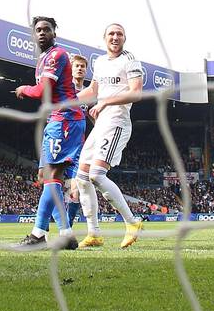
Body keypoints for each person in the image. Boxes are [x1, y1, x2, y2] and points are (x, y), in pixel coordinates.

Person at [74, 23, 146, 249]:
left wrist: (105, 102)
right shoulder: (100, 62)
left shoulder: (130, 60)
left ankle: (132, 223)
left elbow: (136, 93)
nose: (115, 37)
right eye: (111, 34)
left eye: (119, 34)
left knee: (96, 174)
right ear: (104, 38)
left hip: (116, 122)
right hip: (101, 123)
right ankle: (94, 233)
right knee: (82, 178)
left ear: (125, 38)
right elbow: (93, 91)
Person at [14, 17, 83, 250]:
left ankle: (38, 234)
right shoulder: (43, 58)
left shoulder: (57, 55)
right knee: (46, 177)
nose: (42, 33)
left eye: (47, 29)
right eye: (38, 30)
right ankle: (66, 234)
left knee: (53, 176)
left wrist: (23, 89)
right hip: (57, 119)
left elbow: (42, 91)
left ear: (55, 33)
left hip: (65, 119)